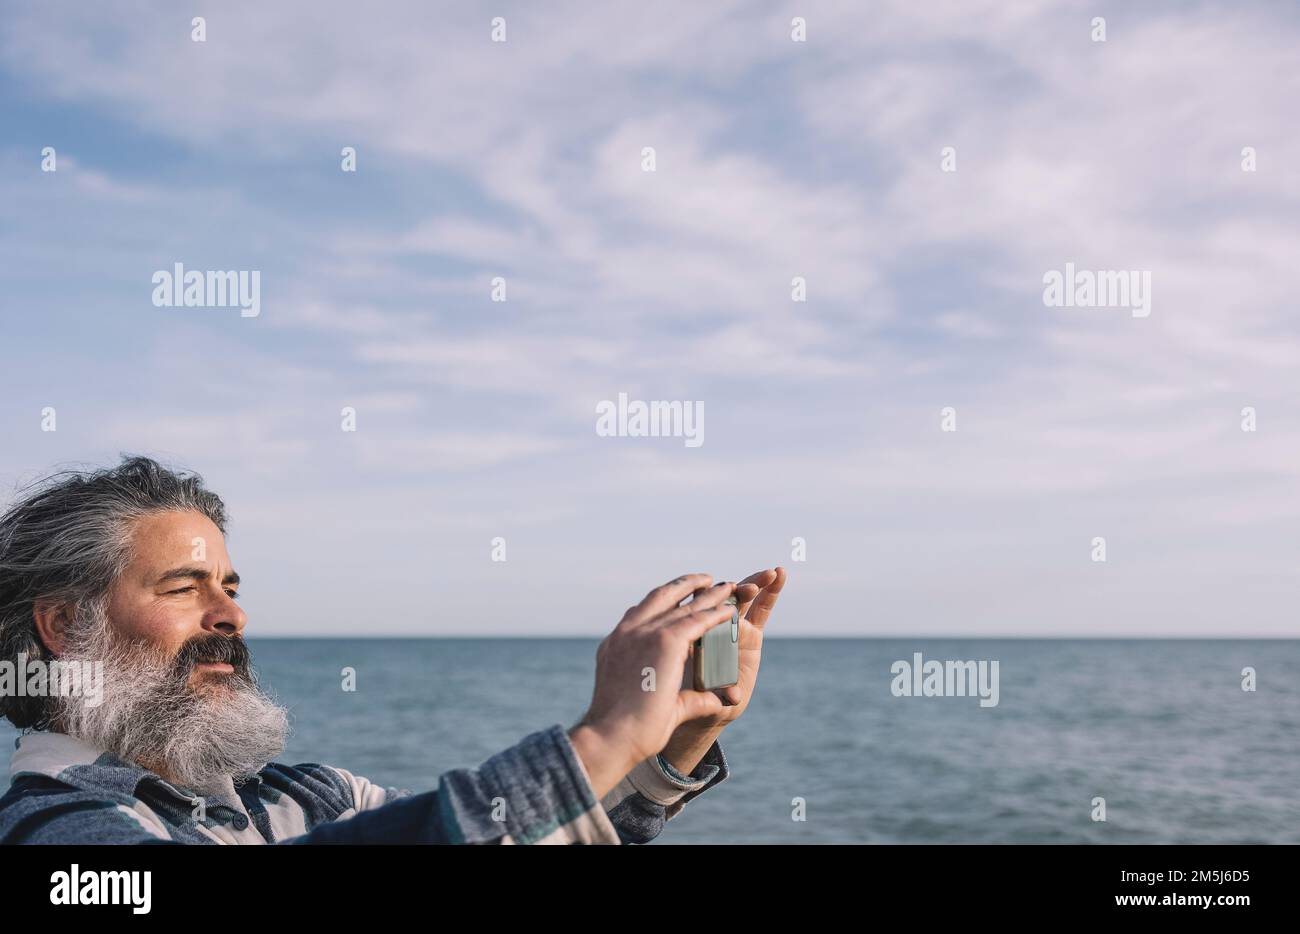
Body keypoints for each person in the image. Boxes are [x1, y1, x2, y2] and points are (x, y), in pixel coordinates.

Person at [0, 456, 785, 844]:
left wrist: (675, 743)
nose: (230, 615)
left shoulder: (313, 801)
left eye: (231, 586)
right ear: (65, 627)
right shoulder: (54, 828)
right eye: (183, 588)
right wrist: (605, 735)